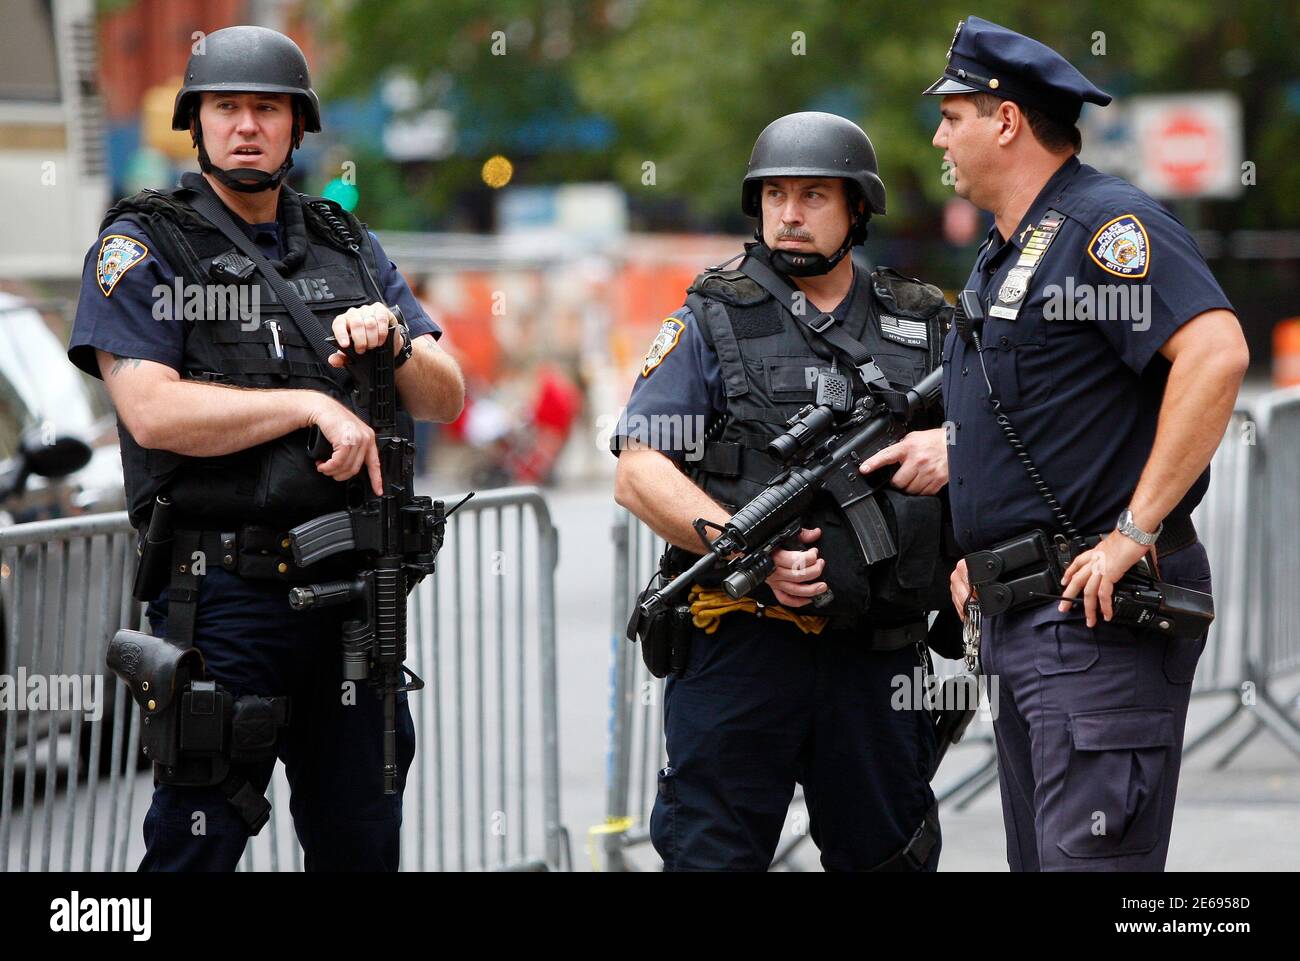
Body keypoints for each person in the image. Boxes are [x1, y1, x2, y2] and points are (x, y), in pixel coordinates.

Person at [67, 25, 465, 871]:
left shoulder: (346, 240)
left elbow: (446, 391)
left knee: (364, 843)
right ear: (197, 121)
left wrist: (394, 340)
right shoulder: (142, 245)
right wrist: (305, 406)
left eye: (266, 109)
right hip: (225, 601)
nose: (246, 125)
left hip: (353, 603)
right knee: (194, 846)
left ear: (296, 124)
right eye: (226, 108)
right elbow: (150, 411)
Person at [925, 16, 1249, 871]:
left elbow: (1216, 352)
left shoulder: (1104, 226)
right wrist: (981, 555)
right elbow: (1048, 421)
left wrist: (1133, 533)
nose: (938, 137)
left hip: (1097, 621)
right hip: (1027, 616)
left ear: (1005, 120)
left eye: (953, 115)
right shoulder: (1008, 250)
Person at [612, 111, 959, 871]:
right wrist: (743, 547)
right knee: (711, 858)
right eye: (774, 196)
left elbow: (1016, 434)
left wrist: (952, 446)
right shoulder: (713, 315)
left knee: (891, 857)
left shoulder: (926, 321)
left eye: (812, 195)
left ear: (857, 208)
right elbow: (637, 470)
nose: (790, 214)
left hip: (876, 662)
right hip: (741, 645)